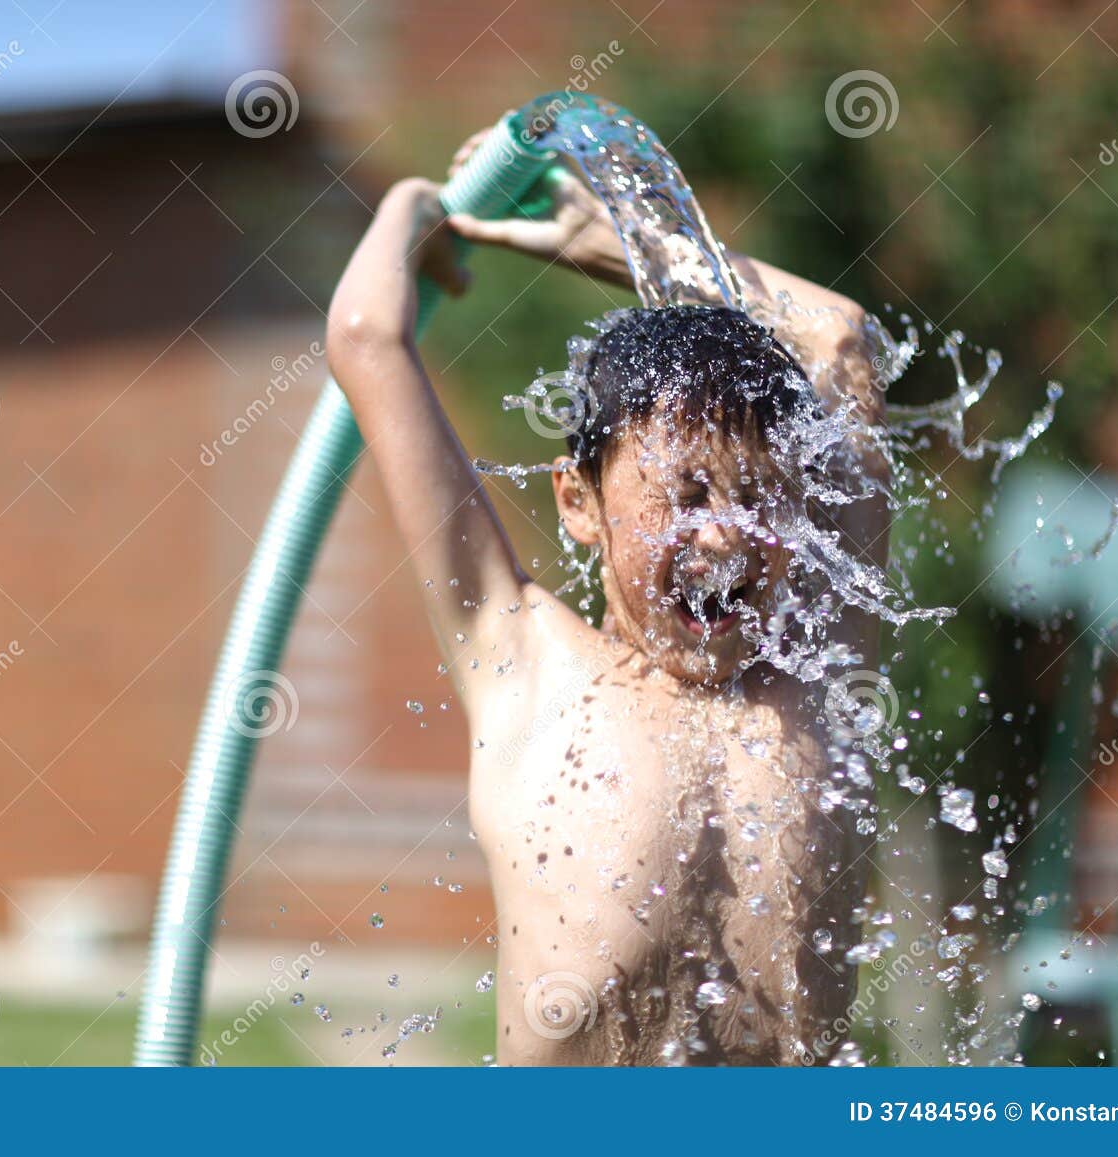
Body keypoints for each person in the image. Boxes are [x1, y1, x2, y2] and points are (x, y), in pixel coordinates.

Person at [324, 129, 889, 1065]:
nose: (724, 535)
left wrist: (609, 241)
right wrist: (423, 206)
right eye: (689, 493)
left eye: (757, 495)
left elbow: (836, 338)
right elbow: (365, 336)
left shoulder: (824, 667)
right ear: (579, 503)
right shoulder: (522, 664)